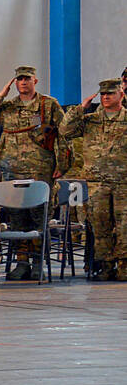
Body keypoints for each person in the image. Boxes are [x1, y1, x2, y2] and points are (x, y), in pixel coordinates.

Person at [0, 66, 67, 280]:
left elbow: (64, 133)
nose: (23, 82)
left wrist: (63, 164)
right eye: (19, 79)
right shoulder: (7, 106)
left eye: (27, 78)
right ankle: (21, 262)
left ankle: (39, 263)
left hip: (41, 170)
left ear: (35, 80)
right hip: (12, 170)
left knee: (39, 218)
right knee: (17, 219)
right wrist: (0, 95)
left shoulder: (48, 105)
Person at [59, 79, 127, 280]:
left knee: (125, 226)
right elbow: (65, 130)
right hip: (96, 183)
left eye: (110, 94)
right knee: (100, 226)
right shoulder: (90, 121)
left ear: (121, 95)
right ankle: (104, 266)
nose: (106, 97)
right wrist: (80, 108)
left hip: (123, 182)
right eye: (103, 94)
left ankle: (124, 266)